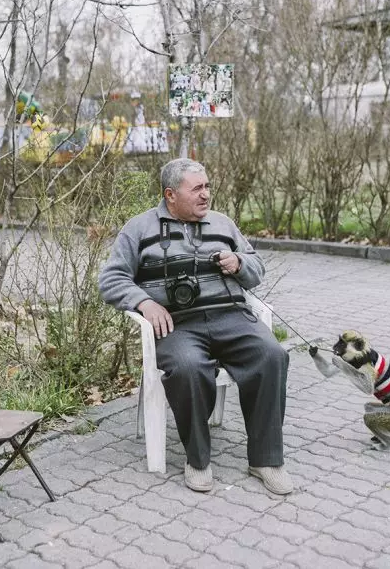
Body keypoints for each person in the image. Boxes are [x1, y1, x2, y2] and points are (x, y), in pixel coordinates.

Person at [98, 158, 292, 494]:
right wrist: (144, 302)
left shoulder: (223, 224)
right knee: (189, 367)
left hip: (231, 317)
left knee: (272, 355)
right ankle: (198, 459)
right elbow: (110, 279)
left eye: (207, 187)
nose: (206, 195)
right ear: (170, 195)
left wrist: (239, 262)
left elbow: (257, 269)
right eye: (197, 189)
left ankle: (266, 459)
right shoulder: (139, 229)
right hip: (177, 325)